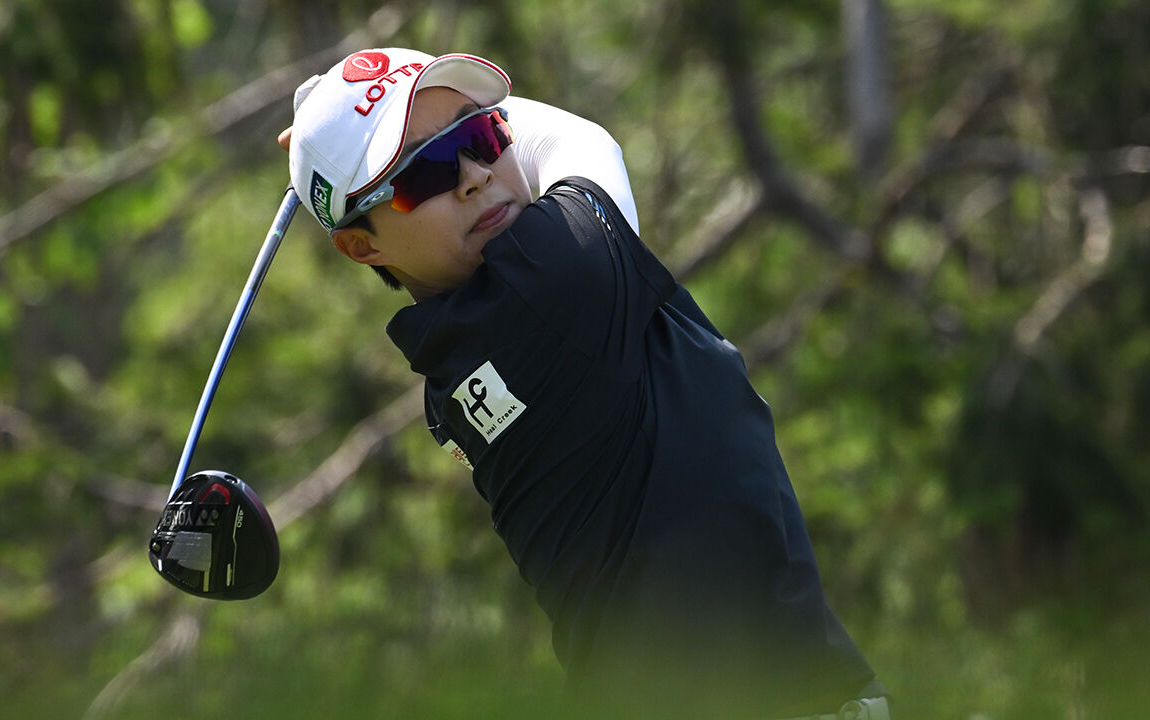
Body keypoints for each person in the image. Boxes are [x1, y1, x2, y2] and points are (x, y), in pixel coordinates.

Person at [278, 47, 890, 719]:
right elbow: (580, 140)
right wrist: (336, 109)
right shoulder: (556, 281)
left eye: (478, 134)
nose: (474, 175)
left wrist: (334, 118)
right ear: (362, 245)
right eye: (421, 171)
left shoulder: (453, 364)